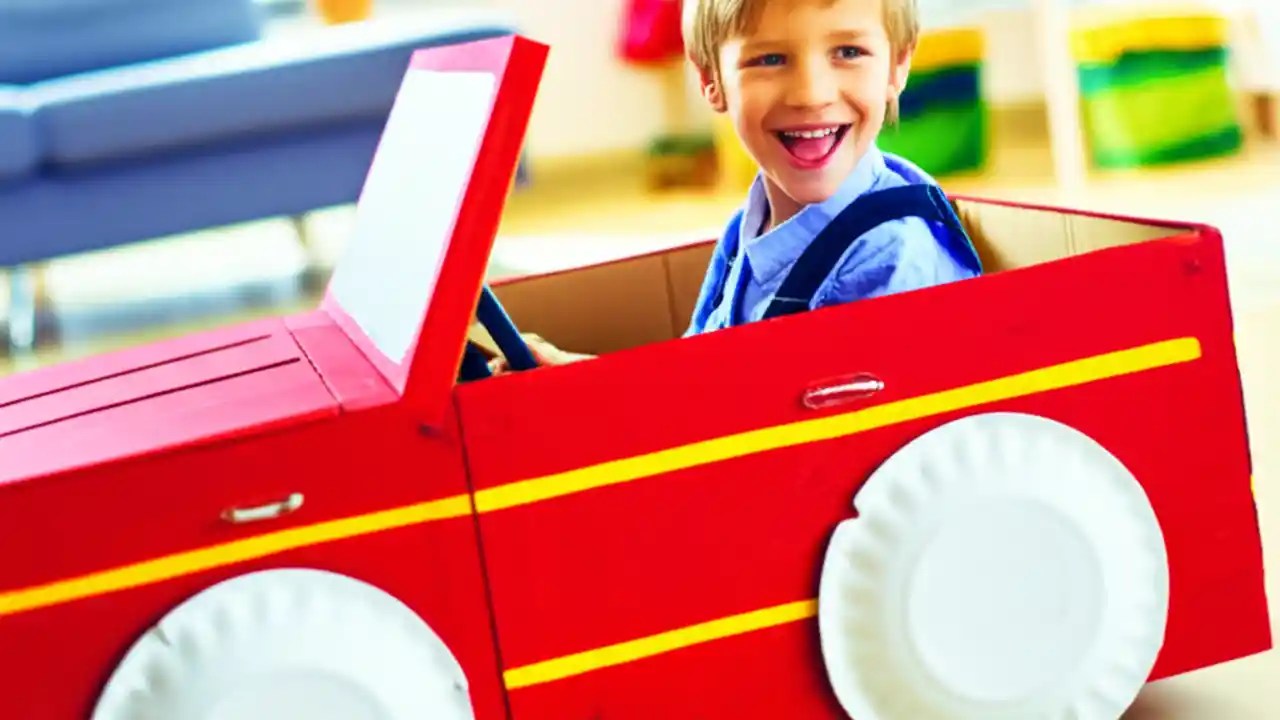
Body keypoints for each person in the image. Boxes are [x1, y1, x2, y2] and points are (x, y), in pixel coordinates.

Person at [492, 0, 981, 373]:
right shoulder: (747, 228)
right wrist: (576, 379)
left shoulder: (890, 261)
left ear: (898, 66)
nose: (811, 94)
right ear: (711, 80)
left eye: (849, 52)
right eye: (769, 59)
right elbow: (699, 379)